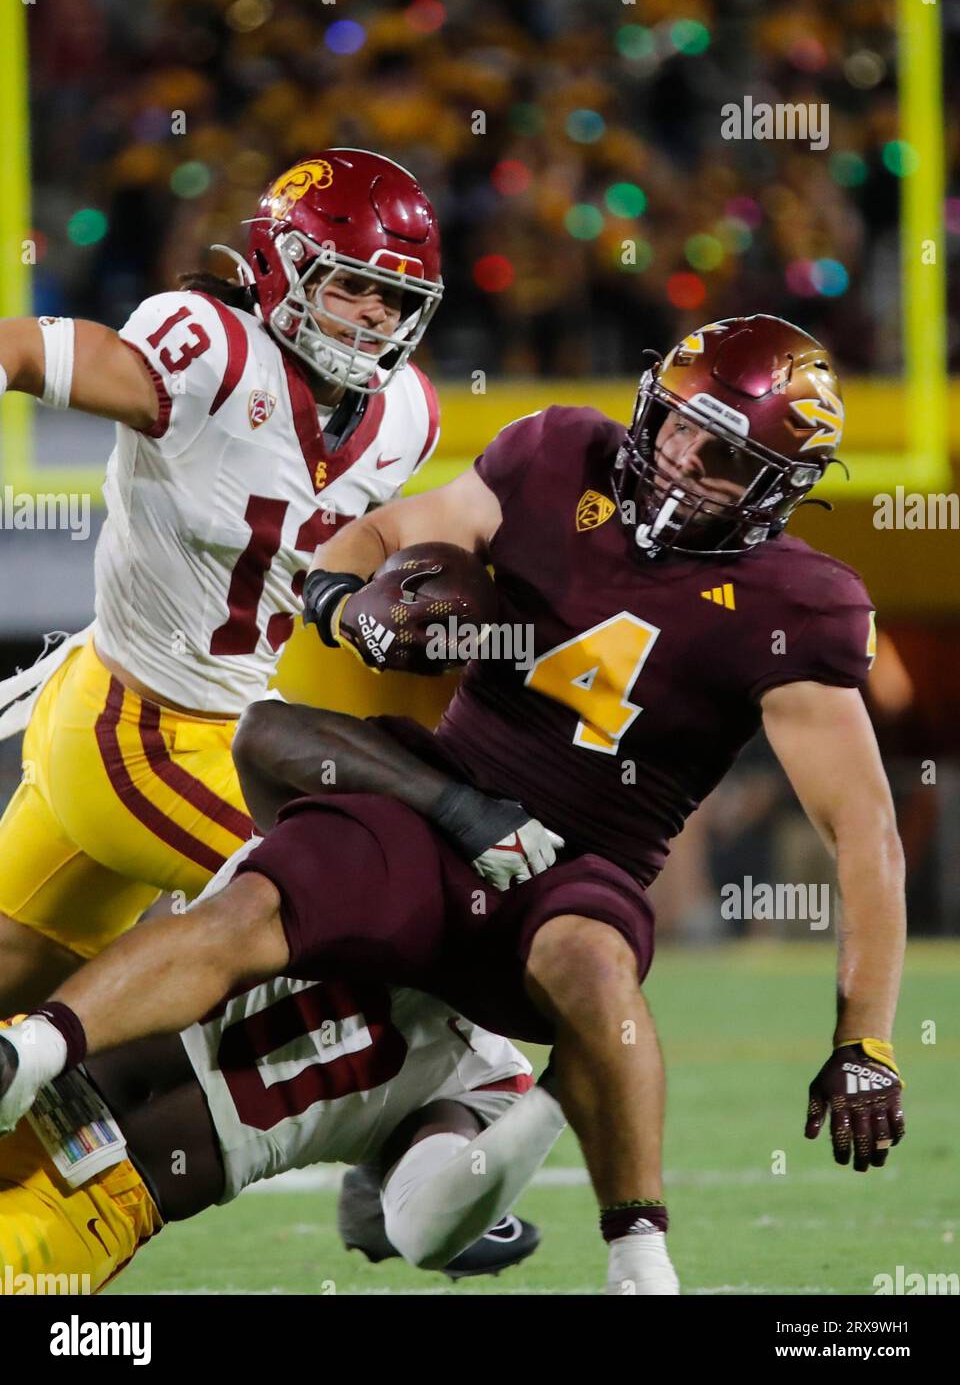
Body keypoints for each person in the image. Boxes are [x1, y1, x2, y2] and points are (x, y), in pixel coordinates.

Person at [0, 316, 907, 1296]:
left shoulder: (796, 603)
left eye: (724, 454)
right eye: (681, 424)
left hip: (577, 864)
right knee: (259, 883)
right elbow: (387, 531)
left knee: (594, 968)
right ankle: (28, 1050)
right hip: (439, 810)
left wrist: (865, 1039)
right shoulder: (560, 454)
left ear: (779, 484)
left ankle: (639, 1257)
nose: (683, 458)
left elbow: (864, 835)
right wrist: (348, 603)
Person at [0, 149, 443, 1012]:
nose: (372, 317)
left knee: (13, 977)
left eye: (394, 298)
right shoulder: (211, 350)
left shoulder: (410, 414)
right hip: (137, 731)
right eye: (351, 287)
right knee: (366, 908)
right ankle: (453, 1111)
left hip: (221, 729)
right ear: (284, 267)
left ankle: (63, 1135)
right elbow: (19, 350)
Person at [0, 843, 563, 1295]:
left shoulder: (491, 1079)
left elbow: (403, 1218)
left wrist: (565, 1090)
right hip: (31, 1070)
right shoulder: (382, 857)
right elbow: (266, 737)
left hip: (95, 1198)